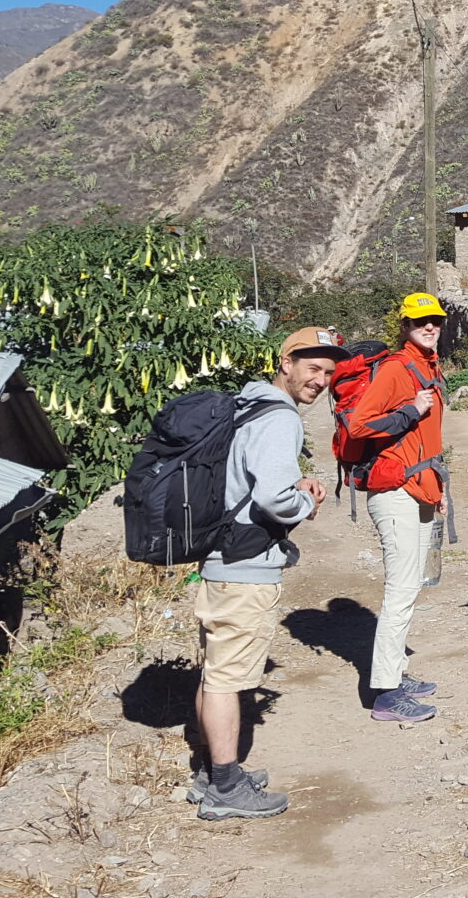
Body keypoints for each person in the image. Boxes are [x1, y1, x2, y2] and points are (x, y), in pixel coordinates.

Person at [193, 325, 346, 820]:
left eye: (328, 372)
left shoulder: (248, 404)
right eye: (312, 368)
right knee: (227, 678)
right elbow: (272, 499)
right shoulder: (279, 418)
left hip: (220, 556)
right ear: (286, 364)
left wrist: (290, 483)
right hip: (245, 565)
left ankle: (216, 773)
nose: (320, 380)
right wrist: (304, 498)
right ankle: (224, 787)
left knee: (216, 668)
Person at [348, 292, 451, 724]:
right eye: (420, 322)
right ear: (405, 326)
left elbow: (427, 440)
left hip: (420, 488)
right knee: (401, 590)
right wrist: (410, 409)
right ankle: (386, 693)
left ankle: (397, 672)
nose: (430, 327)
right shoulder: (395, 369)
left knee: (411, 587)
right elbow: (359, 424)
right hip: (395, 492)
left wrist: (438, 487)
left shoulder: (428, 366)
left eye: (436, 320)